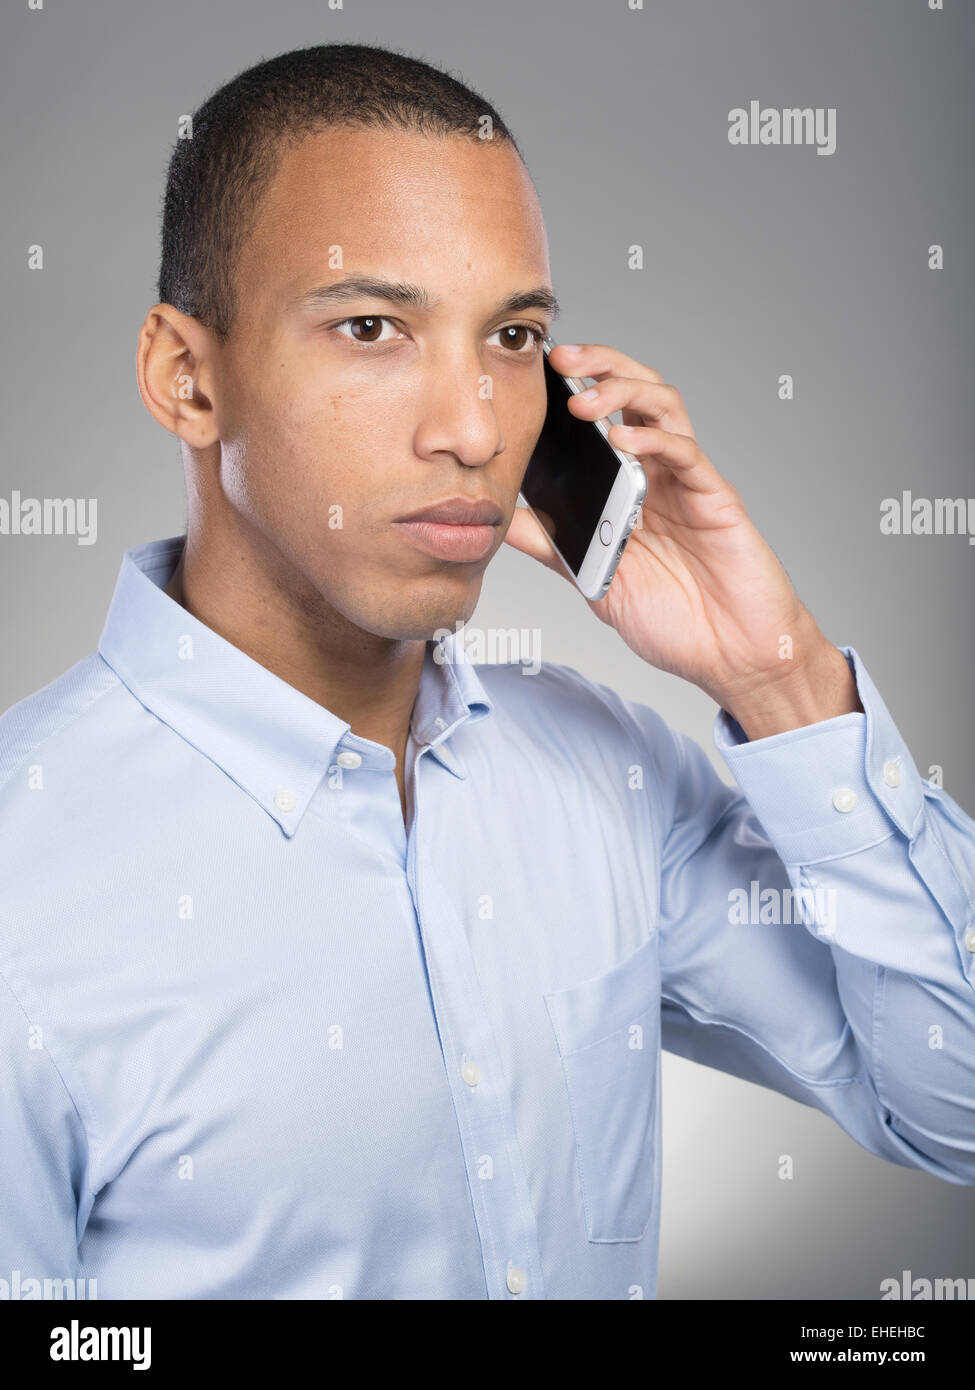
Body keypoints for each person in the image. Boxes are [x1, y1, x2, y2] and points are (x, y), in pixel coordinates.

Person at [1, 42, 973, 1302]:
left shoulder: (608, 774)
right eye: (370, 327)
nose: (473, 429)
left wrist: (775, 672)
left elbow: (953, 1106)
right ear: (189, 376)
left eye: (513, 336)